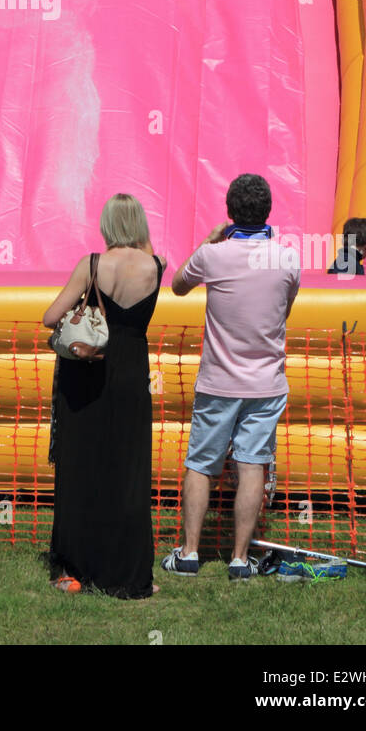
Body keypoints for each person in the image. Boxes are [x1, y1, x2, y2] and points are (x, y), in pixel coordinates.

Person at [165, 173, 300, 580]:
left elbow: (177, 286)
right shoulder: (287, 257)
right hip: (265, 382)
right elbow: (284, 309)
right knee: (252, 465)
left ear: (229, 212)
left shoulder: (213, 255)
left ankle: (189, 553)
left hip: (219, 381)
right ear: (268, 212)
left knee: (201, 464)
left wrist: (209, 242)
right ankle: (240, 559)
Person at [42, 193, 165, 598]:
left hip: (88, 374)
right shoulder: (156, 266)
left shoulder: (92, 264)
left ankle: (75, 567)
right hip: (133, 376)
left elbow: (50, 317)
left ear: (107, 224)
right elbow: (151, 255)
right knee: (128, 473)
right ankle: (130, 571)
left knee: (81, 469)